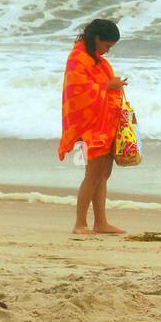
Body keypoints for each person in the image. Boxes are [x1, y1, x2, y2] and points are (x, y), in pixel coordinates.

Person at [58, 18, 128, 234]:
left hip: (104, 122)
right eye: (106, 46)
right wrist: (109, 85)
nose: (107, 51)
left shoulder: (94, 58)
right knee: (92, 173)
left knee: (104, 173)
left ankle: (101, 222)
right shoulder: (78, 58)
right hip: (87, 126)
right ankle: (80, 223)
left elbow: (100, 86)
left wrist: (113, 86)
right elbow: (78, 92)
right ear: (97, 38)